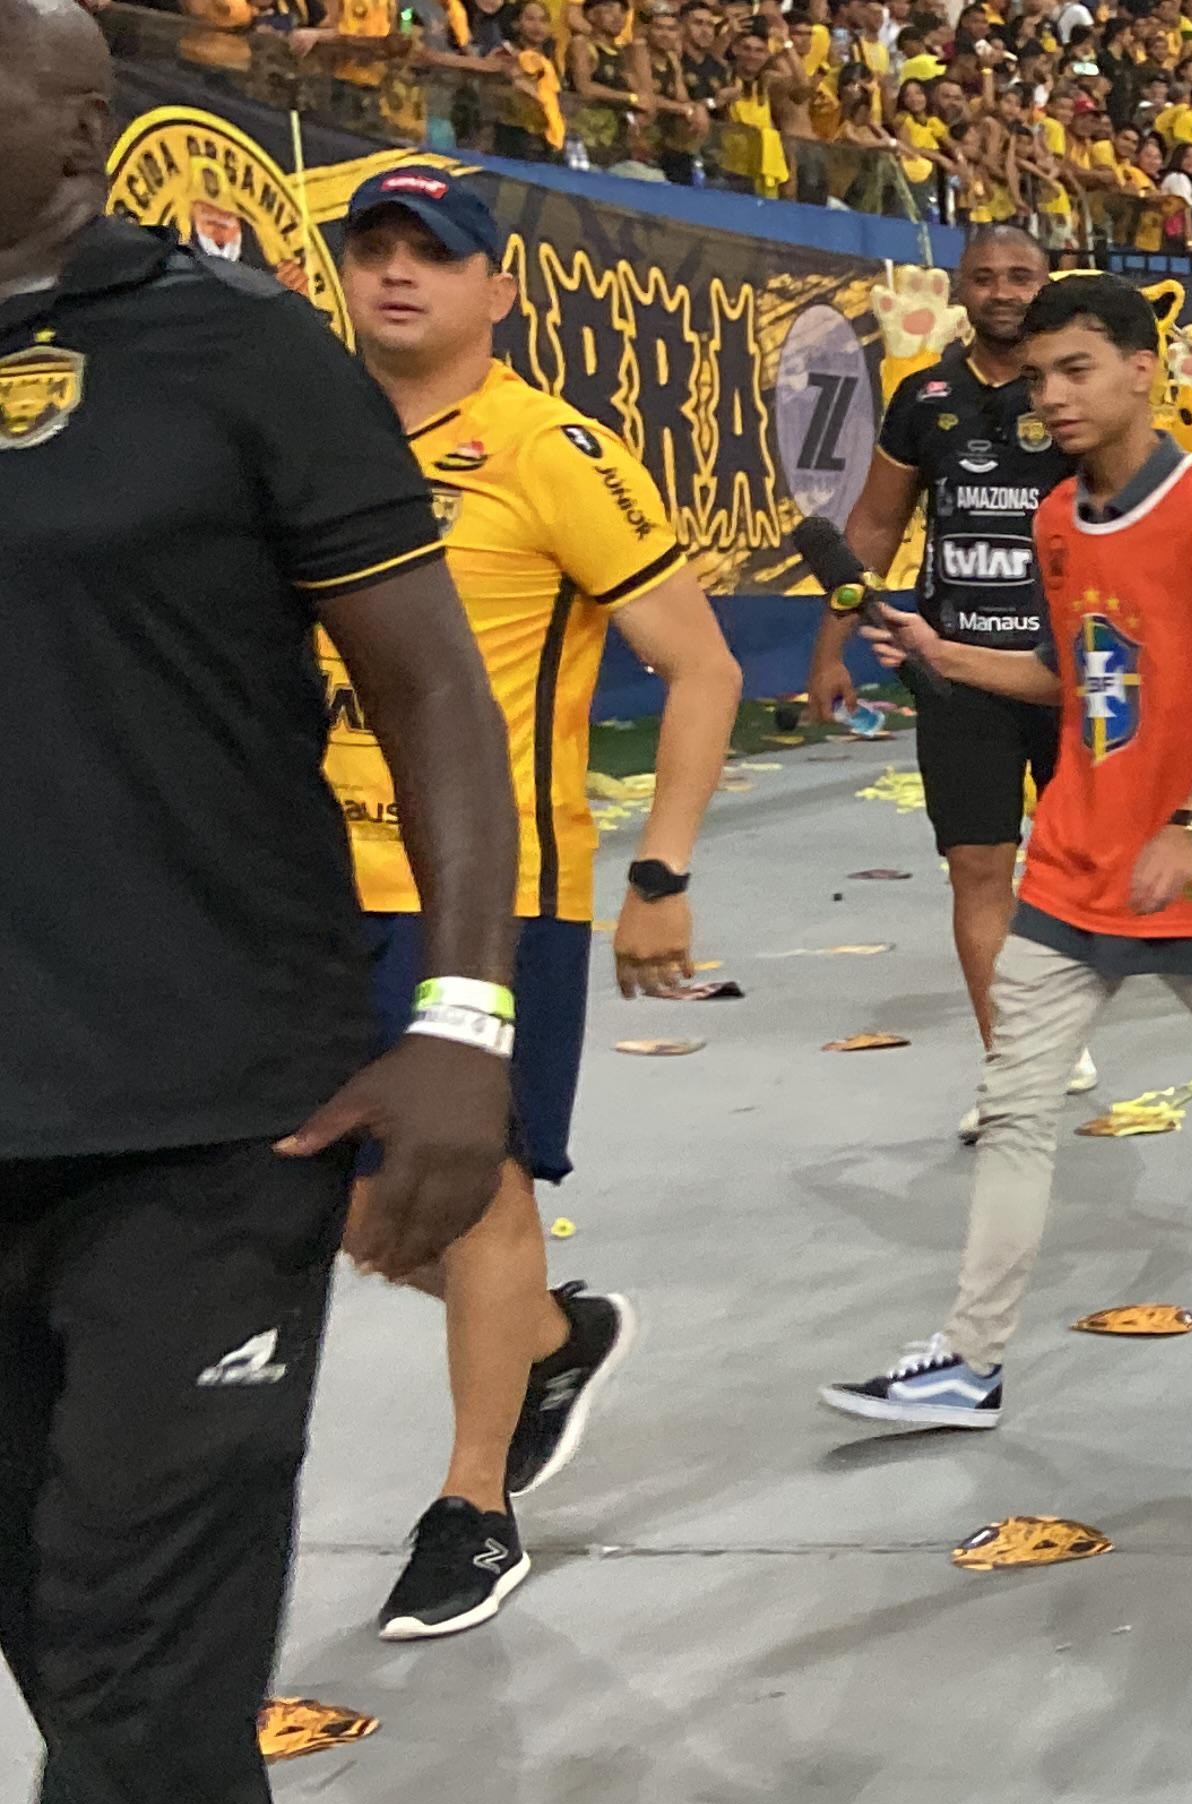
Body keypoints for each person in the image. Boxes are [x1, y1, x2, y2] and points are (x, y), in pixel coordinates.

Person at [0, 6, 520, 1804]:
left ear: (79, 117)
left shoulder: (240, 351)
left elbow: (435, 702)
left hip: (221, 1121)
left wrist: (460, 1026)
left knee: (137, 1664)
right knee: (67, 1632)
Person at [821, 276, 1192, 1429]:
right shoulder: (1057, 519)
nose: (1051, 396)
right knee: (1016, 1106)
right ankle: (971, 1361)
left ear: (1139, 370)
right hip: (1075, 866)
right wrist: (945, 651)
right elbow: (1078, 684)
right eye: (1038, 377)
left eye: (1075, 371)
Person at [316, 168, 742, 1640]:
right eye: (370, 251)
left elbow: (702, 666)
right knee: (328, 1197)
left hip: (491, 899)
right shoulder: (307, 437)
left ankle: (474, 1505)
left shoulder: (553, 451)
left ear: (497, 288)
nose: (395, 277)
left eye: (430, 255)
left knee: (478, 1187)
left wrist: (661, 873)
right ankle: (553, 1341)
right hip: (301, 885)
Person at [806, 226, 1102, 1137]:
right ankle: (1012, 1069)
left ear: (1046, 286)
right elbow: (874, 529)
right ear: (959, 288)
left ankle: (1056, 1019)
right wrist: (831, 646)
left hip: (1066, 678)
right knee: (977, 867)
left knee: (1084, 871)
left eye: (1021, 277)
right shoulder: (922, 397)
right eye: (986, 277)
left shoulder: (1079, 395)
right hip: (955, 669)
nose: (1003, 290)